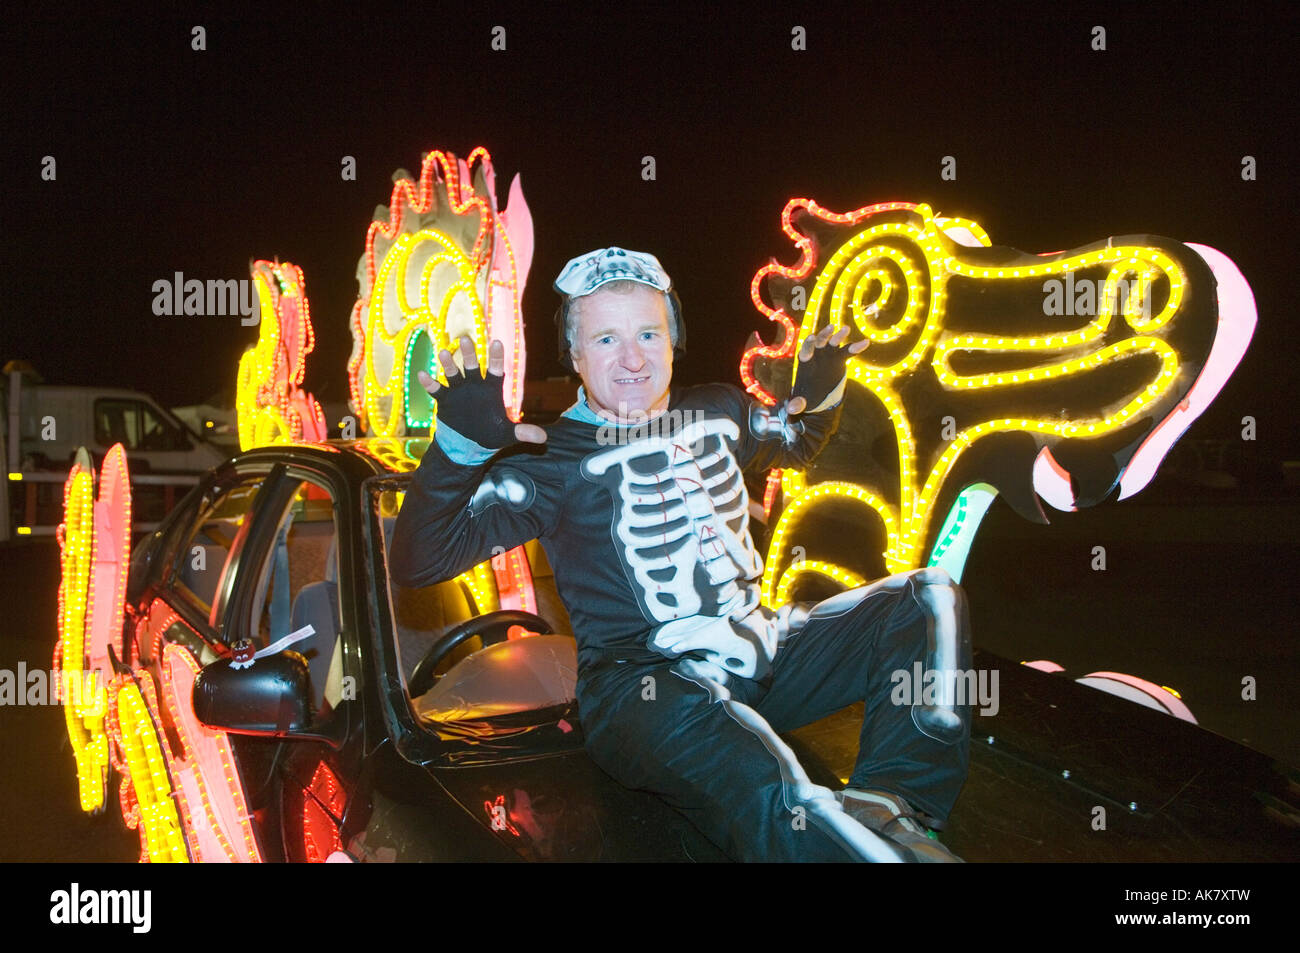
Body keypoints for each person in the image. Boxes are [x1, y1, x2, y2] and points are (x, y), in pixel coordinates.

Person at [388, 246, 972, 862]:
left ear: (674, 340)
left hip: (760, 652)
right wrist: (458, 451)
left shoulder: (719, 408)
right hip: (644, 688)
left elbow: (795, 442)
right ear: (576, 356)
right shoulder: (549, 460)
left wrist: (820, 385)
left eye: (648, 333)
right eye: (607, 339)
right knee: (766, 783)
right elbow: (420, 561)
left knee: (927, 597)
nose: (634, 358)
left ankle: (893, 799)